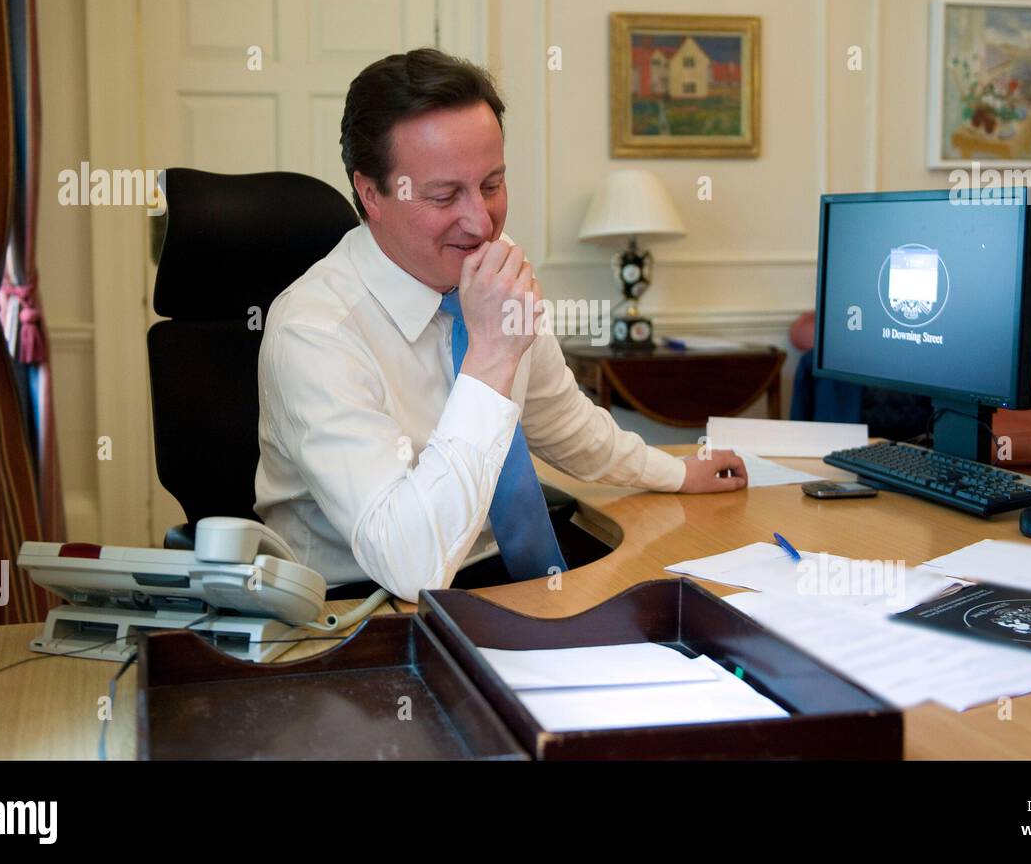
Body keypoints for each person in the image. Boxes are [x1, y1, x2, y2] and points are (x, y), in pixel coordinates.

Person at [254, 48, 747, 602]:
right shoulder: (314, 330)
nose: (481, 222)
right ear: (372, 194)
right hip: (363, 606)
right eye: (445, 195)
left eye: (491, 185)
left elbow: (558, 420)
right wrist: (492, 353)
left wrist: (674, 472)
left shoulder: (489, 262)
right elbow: (408, 565)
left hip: (502, 574)